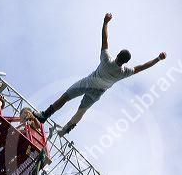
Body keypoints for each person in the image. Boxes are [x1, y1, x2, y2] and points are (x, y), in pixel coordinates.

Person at [35, 13, 167, 136]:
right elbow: (142, 67)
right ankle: (66, 129)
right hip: (97, 93)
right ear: (125, 62)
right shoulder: (124, 72)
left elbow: (104, 39)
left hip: (87, 84)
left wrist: (105, 23)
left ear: (117, 55)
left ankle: (45, 115)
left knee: (65, 97)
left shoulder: (106, 59)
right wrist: (158, 59)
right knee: (81, 111)